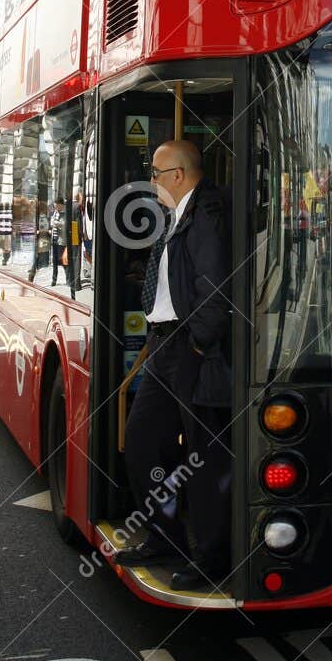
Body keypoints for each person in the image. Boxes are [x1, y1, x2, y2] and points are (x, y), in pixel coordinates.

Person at [122, 140, 232, 591]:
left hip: (189, 349)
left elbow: (217, 288)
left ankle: (211, 559)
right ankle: (165, 536)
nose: (151, 182)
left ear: (179, 176)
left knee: (201, 459)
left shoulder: (206, 214)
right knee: (144, 442)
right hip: (166, 345)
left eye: (156, 173)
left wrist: (197, 347)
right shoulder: (179, 212)